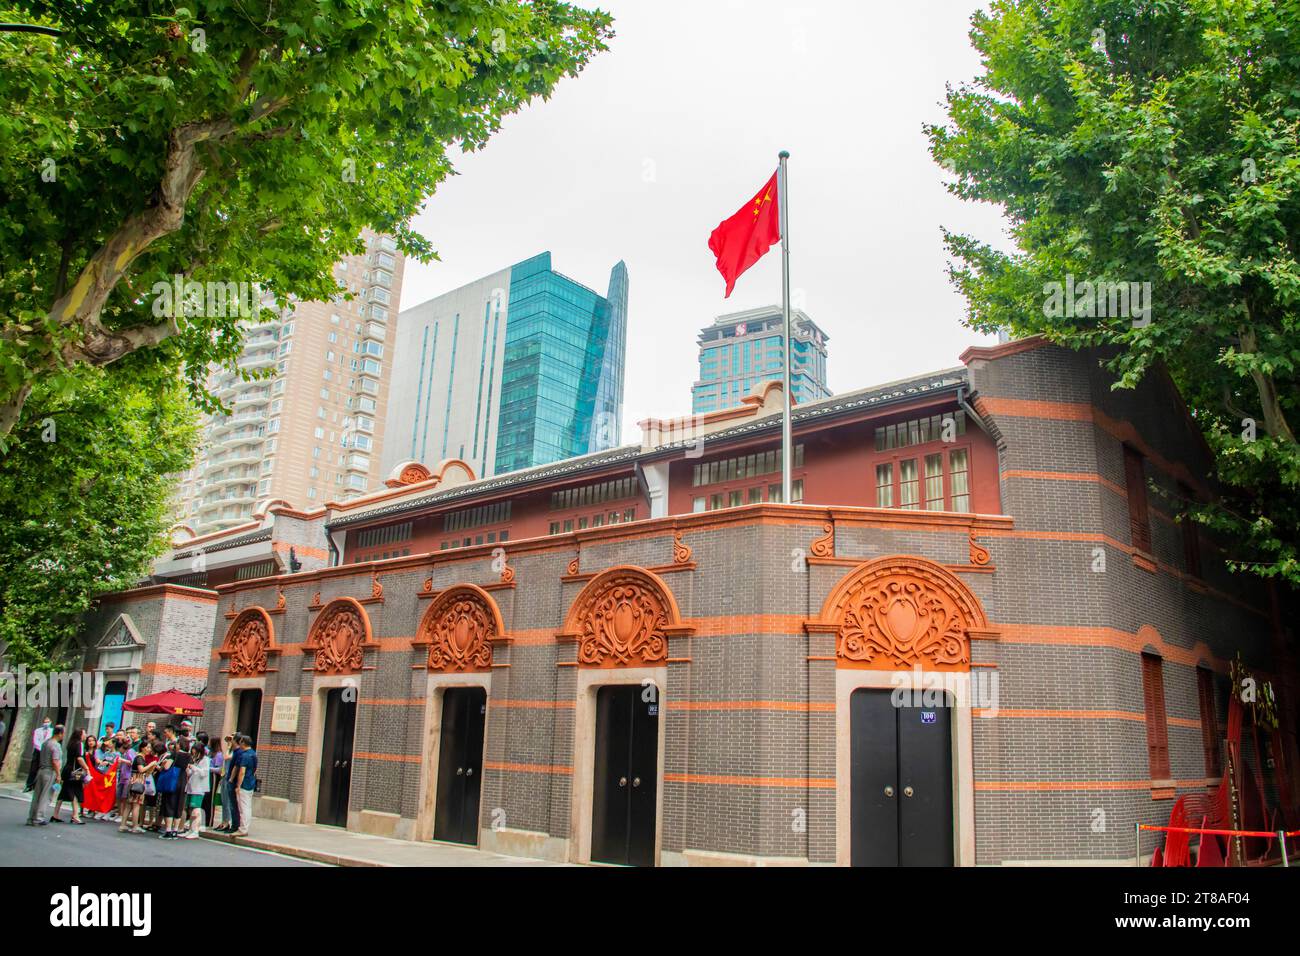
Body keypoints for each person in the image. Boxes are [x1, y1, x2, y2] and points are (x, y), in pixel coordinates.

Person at [26, 723, 63, 826]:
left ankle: (32, 817)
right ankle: (39, 817)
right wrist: (58, 774)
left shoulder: (46, 743)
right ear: (60, 734)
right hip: (50, 771)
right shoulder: (55, 745)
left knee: (37, 795)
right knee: (45, 796)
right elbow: (55, 761)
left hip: (41, 770)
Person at [51, 728, 89, 824]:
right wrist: (87, 768)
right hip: (75, 771)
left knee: (63, 792)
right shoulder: (80, 744)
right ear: (80, 735)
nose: (86, 735)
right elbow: (79, 758)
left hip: (67, 769)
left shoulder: (71, 743)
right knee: (75, 791)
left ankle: (55, 814)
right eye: (84, 733)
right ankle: (75, 815)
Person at [119, 742, 158, 834]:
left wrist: (152, 767)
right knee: (136, 804)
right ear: (142, 748)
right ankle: (135, 826)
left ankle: (123, 824)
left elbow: (147, 773)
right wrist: (151, 764)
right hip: (138, 781)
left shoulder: (140, 757)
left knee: (129, 804)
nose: (149, 749)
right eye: (147, 747)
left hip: (134, 781)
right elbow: (141, 770)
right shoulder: (139, 758)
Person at [183, 741, 210, 838]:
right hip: (191, 787)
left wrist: (194, 768)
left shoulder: (205, 760)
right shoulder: (195, 760)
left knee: (196, 810)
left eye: (195, 752)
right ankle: (190, 829)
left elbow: (204, 773)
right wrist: (189, 770)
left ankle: (195, 831)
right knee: (190, 809)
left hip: (199, 788)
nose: (194, 754)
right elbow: (191, 773)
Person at [234, 733, 257, 836]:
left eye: (241, 741)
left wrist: (238, 785)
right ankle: (244, 827)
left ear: (243, 743)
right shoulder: (253, 754)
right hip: (251, 782)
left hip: (244, 784)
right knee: (247, 807)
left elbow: (242, 771)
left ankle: (243, 829)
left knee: (243, 808)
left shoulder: (245, 755)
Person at [217, 735, 240, 832]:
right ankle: (223, 821)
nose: (229, 742)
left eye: (232, 740)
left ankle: (227, 822)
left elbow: (226, 757)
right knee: (223, 801)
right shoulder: (230, 750)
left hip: (229, 778)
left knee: (228, 802)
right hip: (224, 776)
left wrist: (230, 746)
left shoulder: (235, 752)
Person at [24, 717, 52, 792]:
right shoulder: (37, 731)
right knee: (33, 769)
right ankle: (29, 785)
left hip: (47, 753)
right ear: (43, 723)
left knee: (44, 769)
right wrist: (41, 748)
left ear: (50, 722)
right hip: (38, 751)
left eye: (48, 722)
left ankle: (38, 785)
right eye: (45, 722)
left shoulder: (52, 731)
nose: (46, 723)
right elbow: (35, 741)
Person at [204, 734, 223, 828]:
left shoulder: (219, 755)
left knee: (210, 800)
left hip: (214, 777)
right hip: (208, 776)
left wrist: (208, 768)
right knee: (206, 799)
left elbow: (219, 769)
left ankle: (209, 822)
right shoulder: (210, 752)